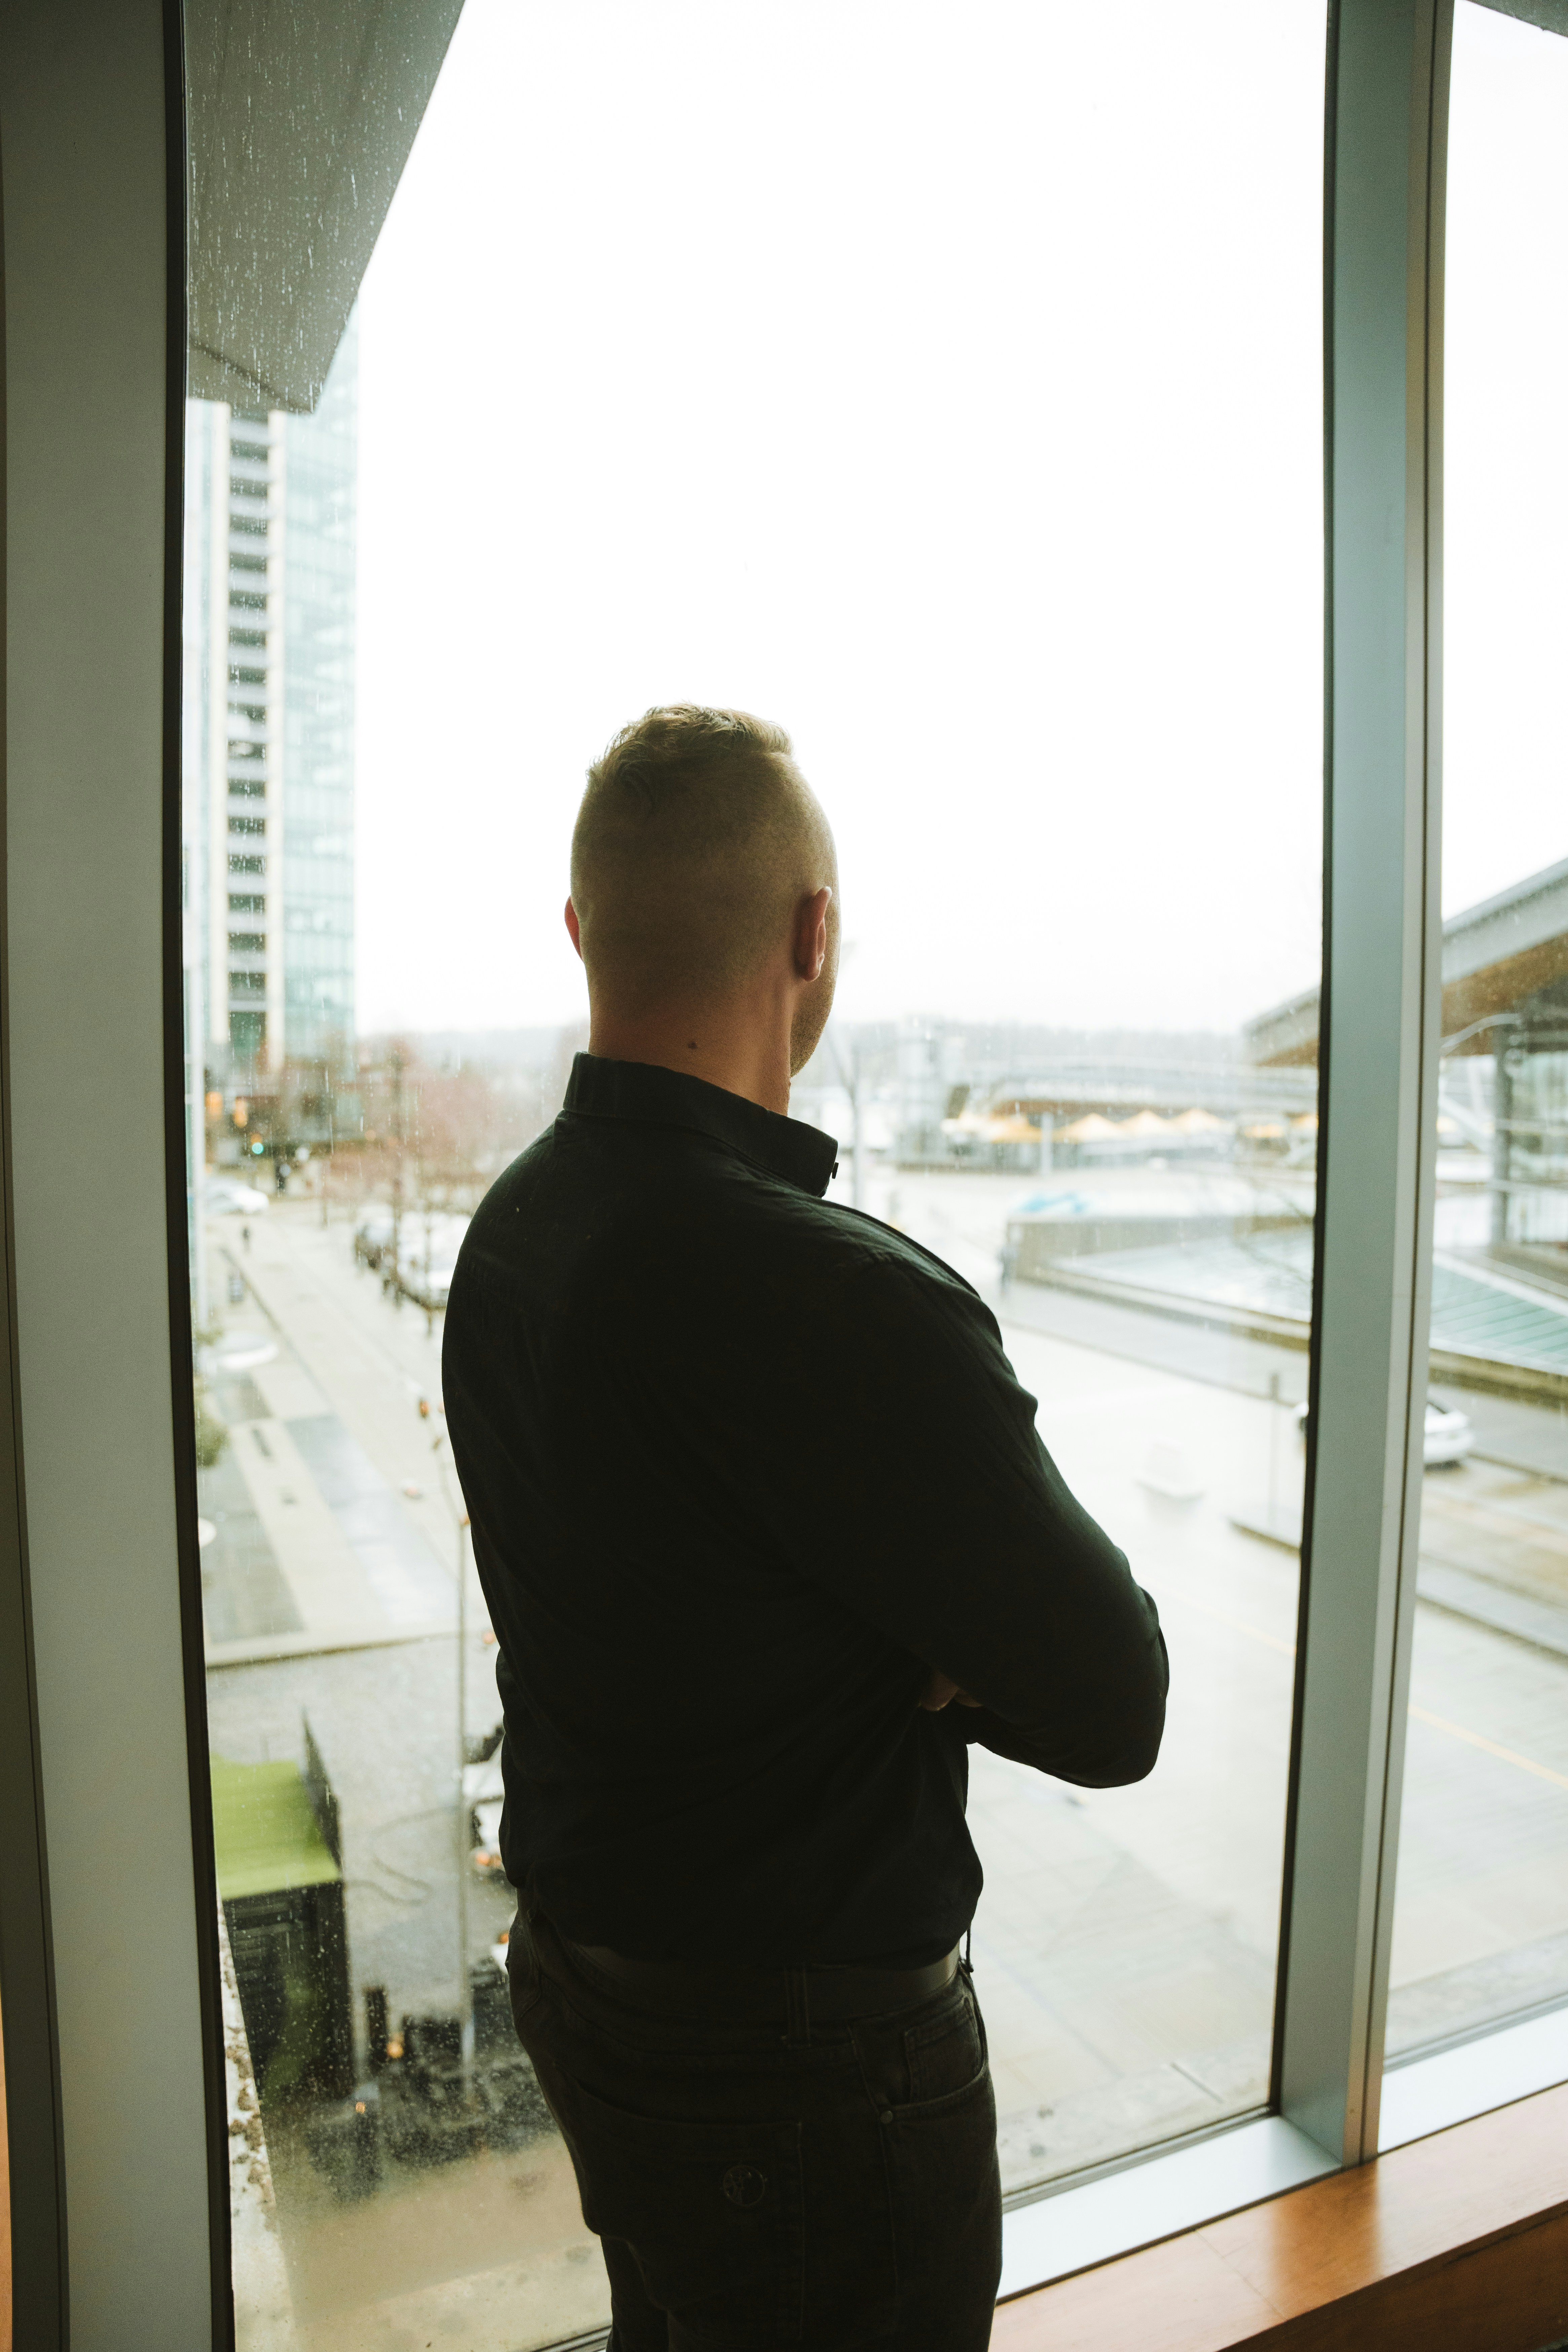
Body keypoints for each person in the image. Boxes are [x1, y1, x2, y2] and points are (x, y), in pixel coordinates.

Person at [443, 705, 1168, 2352]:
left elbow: (638, 1584)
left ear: (582, 933)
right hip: (807, 2081)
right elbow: (1114, 1704)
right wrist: (915, 1653)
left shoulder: (514, 1232)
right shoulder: (846, 1300)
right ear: (813, 934)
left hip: (587, 1983)